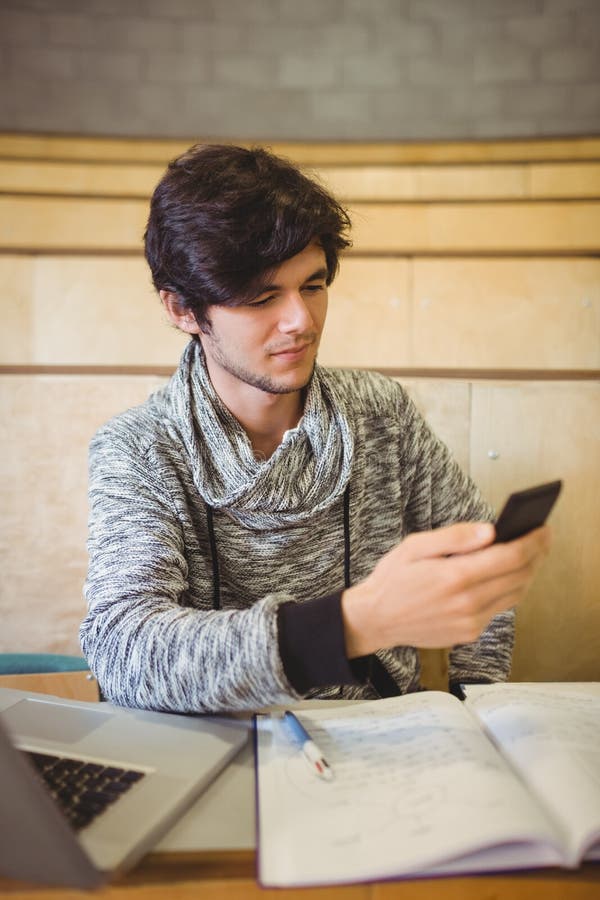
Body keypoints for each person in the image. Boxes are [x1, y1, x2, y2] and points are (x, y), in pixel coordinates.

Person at [80, 144, 550, 713]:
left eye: (313, 284)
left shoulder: (382, 412)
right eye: (260, 297)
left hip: (386, 737)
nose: (301, 321)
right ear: (182, 310)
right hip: (213, 746)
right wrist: (357, 622)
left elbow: (480, 565)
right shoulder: (138, 447)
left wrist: (475, 706)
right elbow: (124, 647)